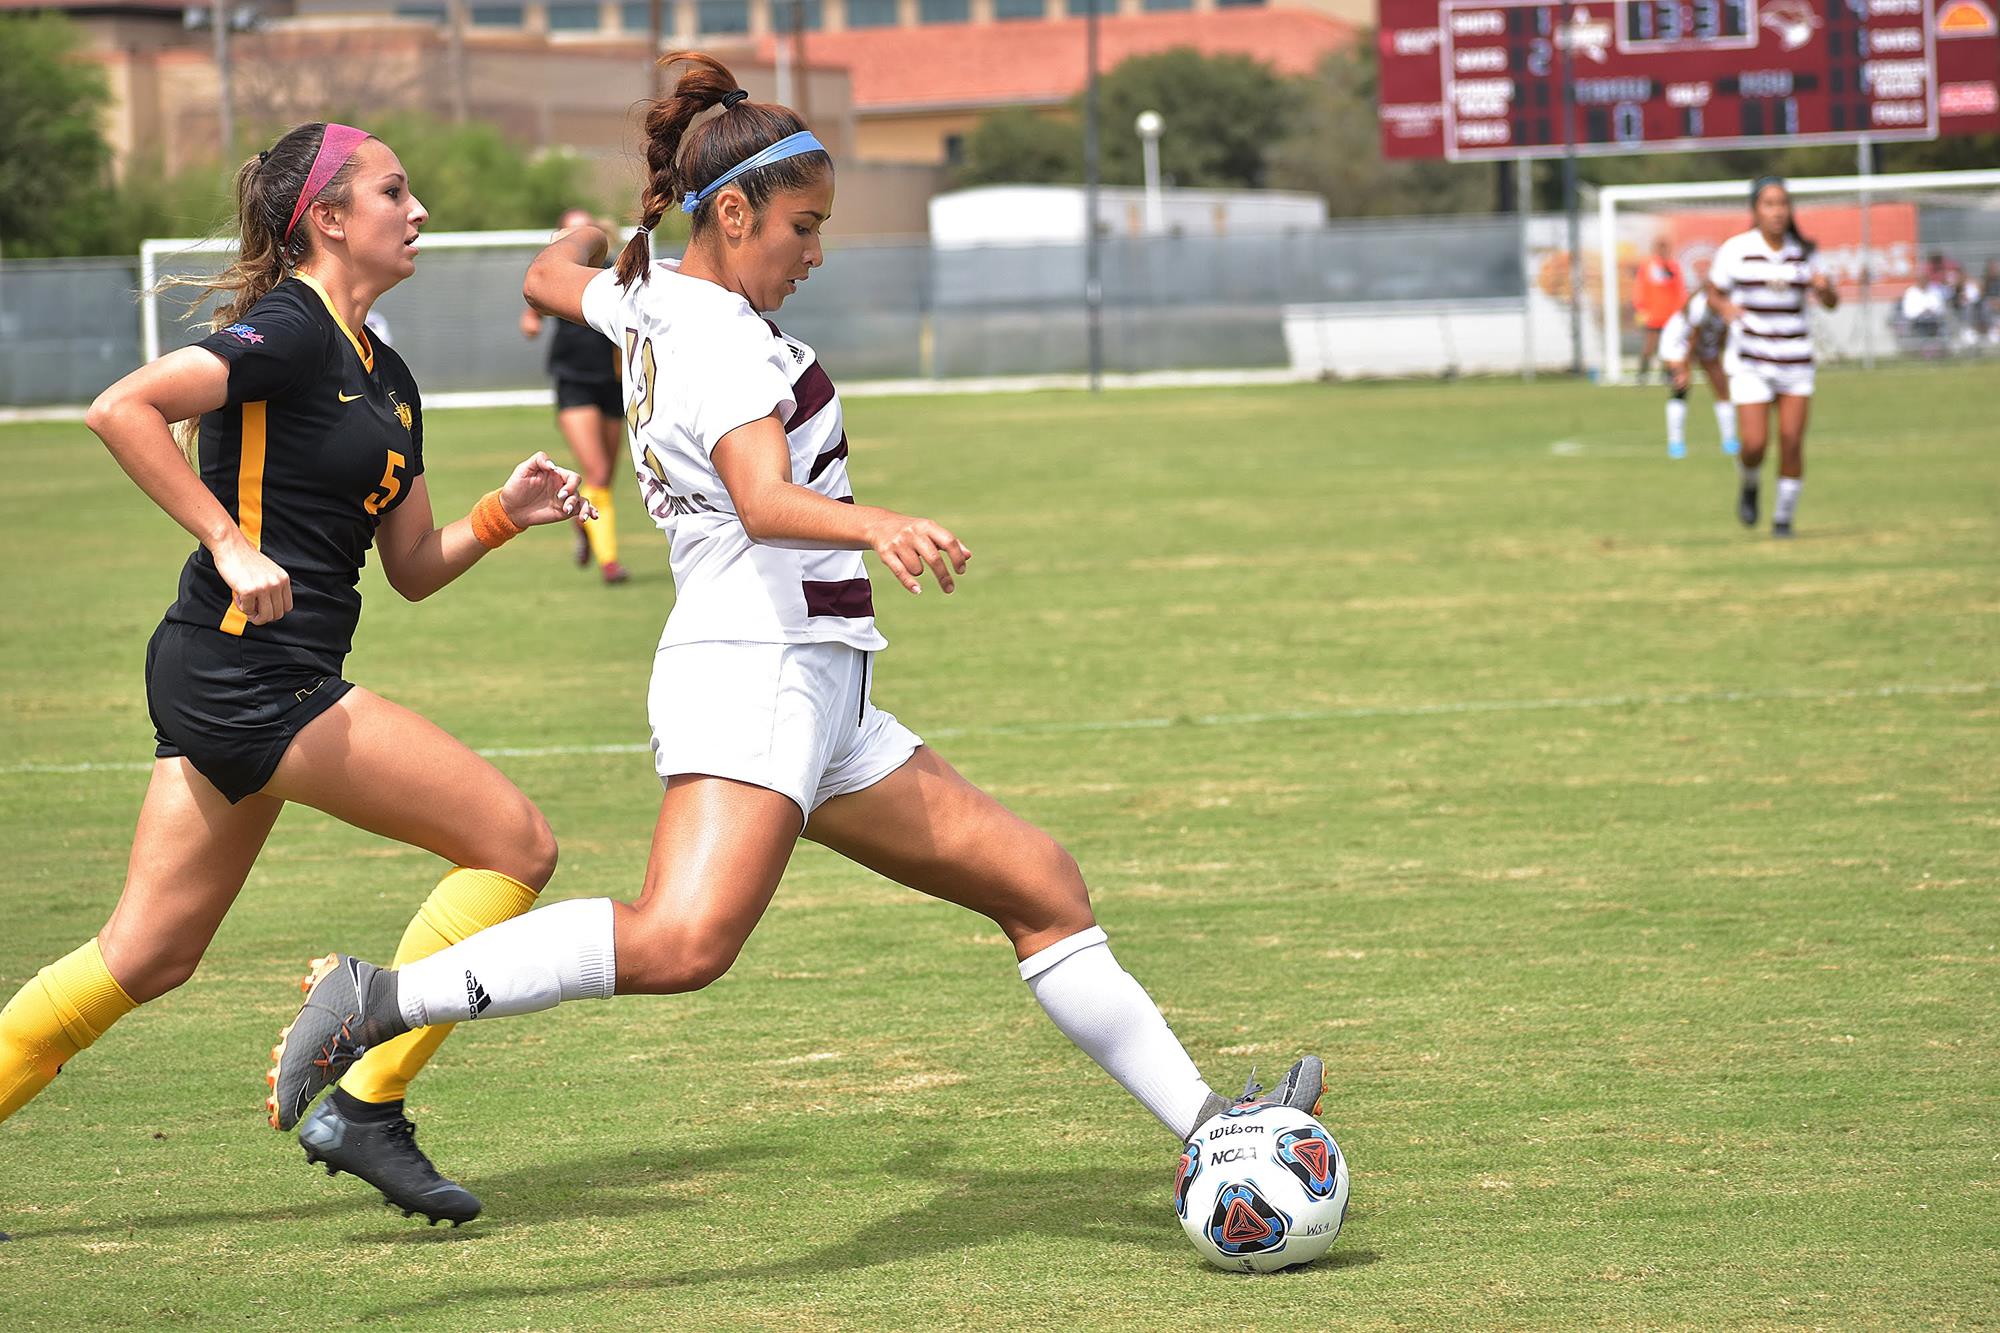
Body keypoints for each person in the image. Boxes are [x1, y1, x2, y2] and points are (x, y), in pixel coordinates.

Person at [268, 55, 1324, 1200]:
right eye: (803, 227)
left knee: (1039, 885)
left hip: (822, 691)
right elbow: (765, 500)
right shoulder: (717, 335)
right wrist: (881, 523)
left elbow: (548, 274)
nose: (814, 253)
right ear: (733, 211)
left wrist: (595, 243)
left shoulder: (655, 296)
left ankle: (1213, 1122)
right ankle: (379, 1001)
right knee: (679, 941)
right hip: (756, 673)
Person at [0, 122, 594, 1228]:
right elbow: (122, 408)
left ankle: (364, 1096)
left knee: (146, 956)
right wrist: (228, 541)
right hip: (245, 666)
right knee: (514, 844)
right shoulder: (287, 330)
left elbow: (411, 567)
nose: (417, 211)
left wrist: (502, 516)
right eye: (393, 191)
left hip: (239, 669)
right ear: (326, 218)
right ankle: (367, 1097)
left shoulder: (392, 376)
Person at [1706, 176, 1837, 538]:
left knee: (1792, 440)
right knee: (1754, 444)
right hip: (1751, 359)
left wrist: (1826, 291)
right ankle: (1749, 482)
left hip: (1795, 361)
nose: (1777, 211)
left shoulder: (1805, 251)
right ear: (1755, 210)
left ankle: (1783, 519)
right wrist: (1725, 307)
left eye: (1783, 203)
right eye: (1769, 204)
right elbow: (1713, 293)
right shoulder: (1736, 249)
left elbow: (1830, 302)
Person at [520, 208, 629, 584]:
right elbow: (531, 316)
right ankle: (610, 562)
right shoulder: (554, 272)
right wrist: (532, 320)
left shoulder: (617, 270)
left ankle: (585, 526)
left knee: (606, 477)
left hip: (614, 383)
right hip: (573, 380)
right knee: (596, 470)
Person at [1656, 287, 1737, 460]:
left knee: (1722, 388)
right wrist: (1685, 369)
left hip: (1706, 343)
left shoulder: (1732, 300)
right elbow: (1692, 339)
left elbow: (1724, 334)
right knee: (1681, 386)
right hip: (1678, 342)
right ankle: (1675, 443)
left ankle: (1730, 440)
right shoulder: (1700, 305)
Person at [1631, 236, 1688, 384]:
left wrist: (1681, 310)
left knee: (1668, 347)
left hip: (1671, 315)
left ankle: (1668, 374)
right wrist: (1641, 308)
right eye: (1660, 247)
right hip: (1653, 314)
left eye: (1666, 247)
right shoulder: (1648, 266)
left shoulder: (1673, 266)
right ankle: (1642, 374)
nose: (1663, 250)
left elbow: (1680, 290)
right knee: (1649, 346)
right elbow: (1640, 288)